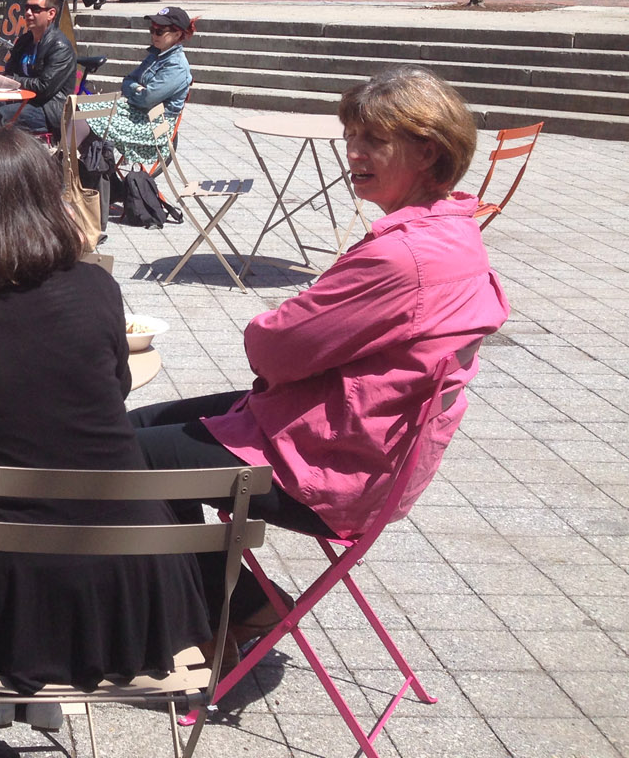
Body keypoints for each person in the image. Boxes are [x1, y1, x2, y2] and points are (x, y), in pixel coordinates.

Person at [130, 67, 508, 649]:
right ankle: (203, 602)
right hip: (358, 443)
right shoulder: (455, 229)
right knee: (133, 430)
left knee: (118, 460)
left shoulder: (403, 257)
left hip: (328, 465)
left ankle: (239, 608)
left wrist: (284, 321)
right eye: (351, 136)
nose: (354, 153)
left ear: (428, 151)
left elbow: (271, 349)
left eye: (374, 140)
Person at [0, 128, 210, 696]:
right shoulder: (96, 288)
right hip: (135, 582)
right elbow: (115, 386)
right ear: (51, 203)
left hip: (10, 586)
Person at [81, 6, 196, 170]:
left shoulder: (177, 66)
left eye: (159, 31)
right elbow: (127, 81)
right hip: (135, 112)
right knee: (81, 108)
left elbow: (147, 99)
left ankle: (91, 170)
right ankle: (89, 167)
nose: (153, 35)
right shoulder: (156, 55)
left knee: (89, 116)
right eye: (152, 29)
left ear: (177, 34)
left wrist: (137, 92)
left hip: (151, 124)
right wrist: (137, 88)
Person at [0, 0, 75, 139]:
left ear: (51, 14)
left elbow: (44, 88)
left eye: (35, 9)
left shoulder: (60, 47)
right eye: (27, 8)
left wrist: (13, 81)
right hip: (20, 99)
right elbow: (9, 72)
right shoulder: (24, 41)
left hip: (47, 109)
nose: (28, 13)